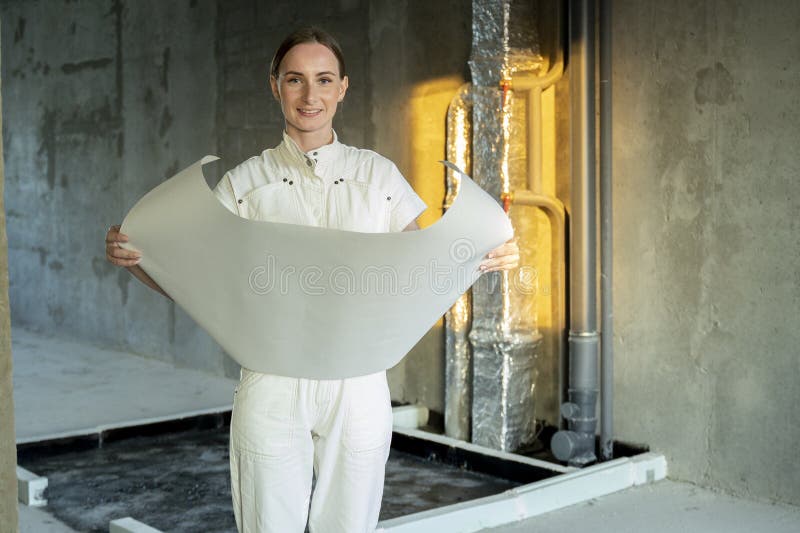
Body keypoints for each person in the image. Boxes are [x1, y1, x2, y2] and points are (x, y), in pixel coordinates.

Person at [106, 26, 519, 533]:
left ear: (342, 88)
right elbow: (195, 281)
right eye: (295, 79)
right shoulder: (244, 184)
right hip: (272, 377)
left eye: (324, 80)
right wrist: (140, 260)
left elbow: (419, 269)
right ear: (274, 85)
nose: (310, 95)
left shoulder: (380, 178)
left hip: (359, 380)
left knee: (349, 525)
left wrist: (481, 251)